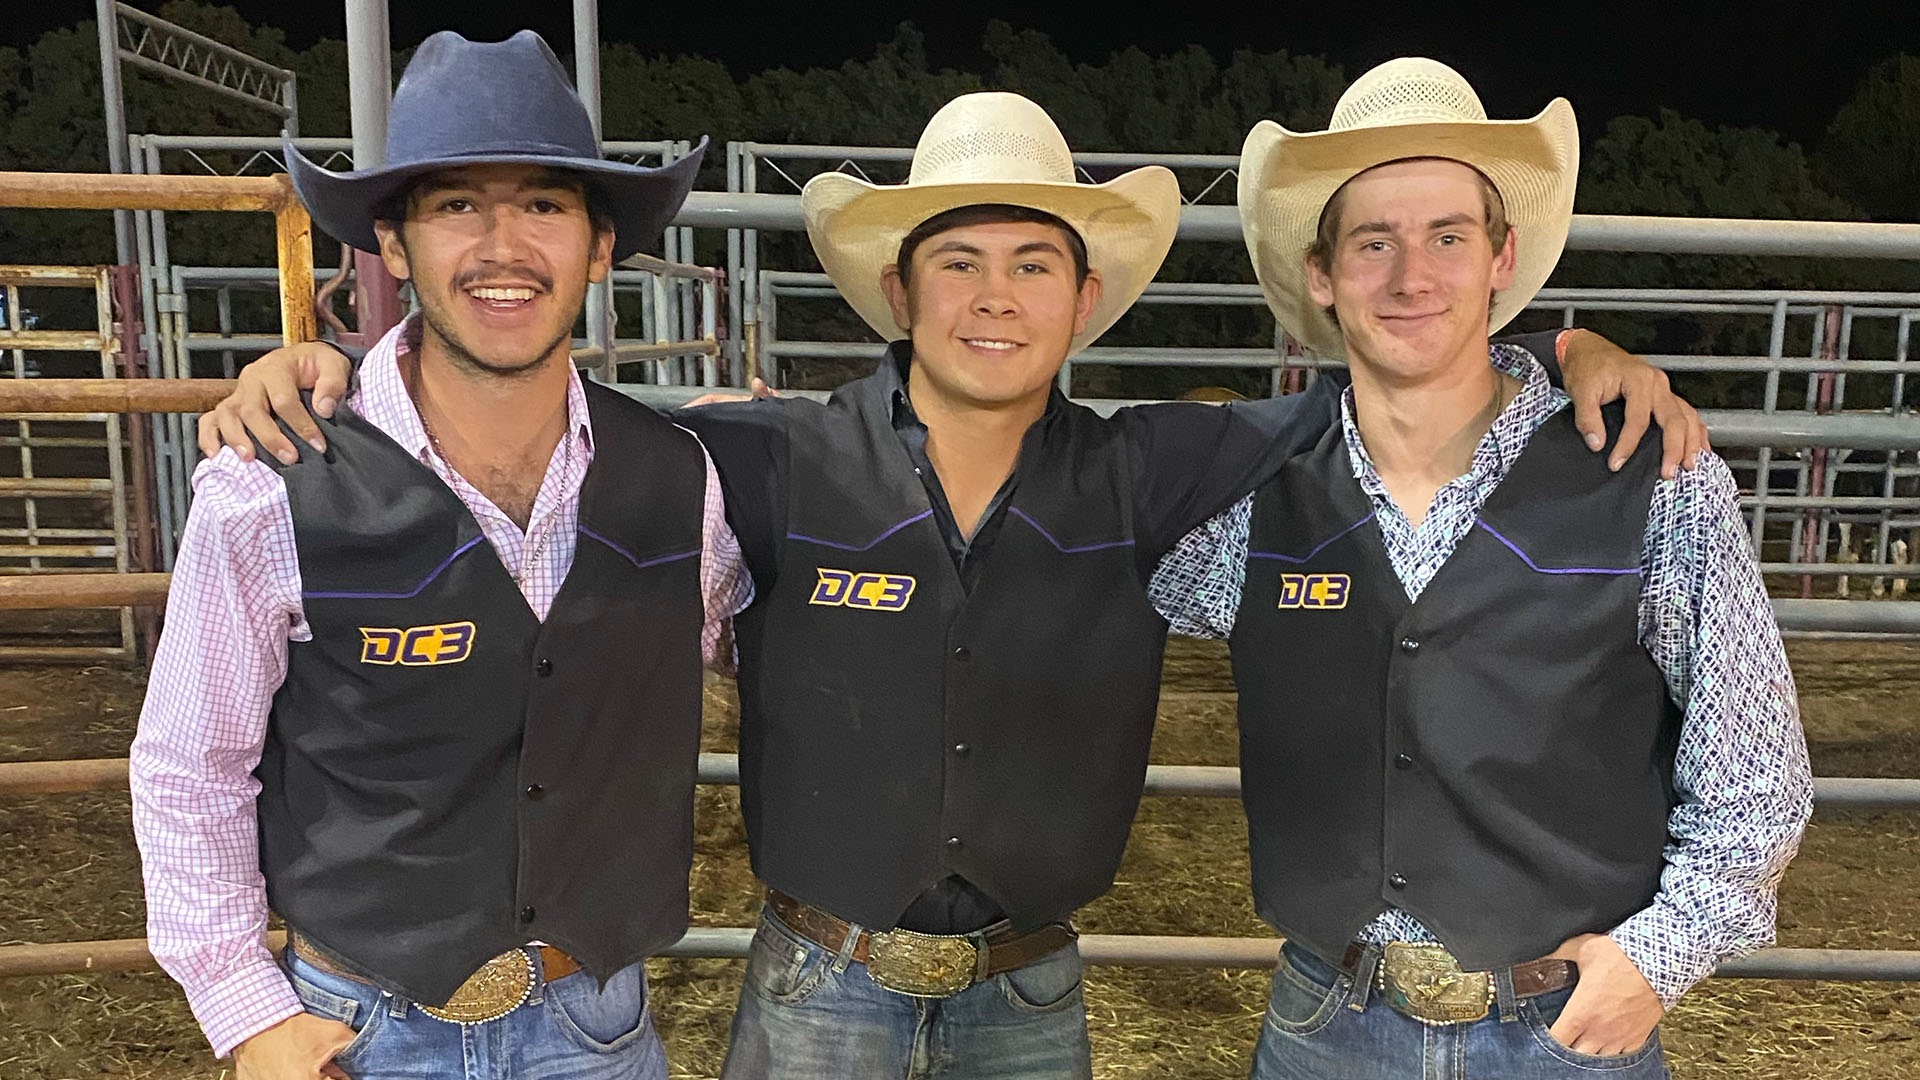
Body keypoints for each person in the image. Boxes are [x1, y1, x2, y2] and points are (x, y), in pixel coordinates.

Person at [201, 91, 1705, 1079]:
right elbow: (543, 419)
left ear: (1084, 299)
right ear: (899, 291)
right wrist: (334, 372)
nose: (996, 296)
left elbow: (1400, 370)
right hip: (819, 984)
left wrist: (1568, 349)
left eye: (1035, 265)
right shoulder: (766, 462)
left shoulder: (1153, 473)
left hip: (1029, 993)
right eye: (961, 262)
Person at [1151, 57, 1813, 1079]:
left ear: (1502, 257)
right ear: (1322, 274)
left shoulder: (1651, 479)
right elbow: (1042, 541)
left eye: (1449, 237)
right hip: (1329, 1024)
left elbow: (1757, 773)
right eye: (1374, 242)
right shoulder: (1243, 497)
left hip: (1561, 1029)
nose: (1412, 278)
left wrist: (1656, 960)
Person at [130, 31, 750, 1080]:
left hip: (596, 1026)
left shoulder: (684, 480)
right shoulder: (271, 484)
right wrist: (244, 1008)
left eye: (545, 205)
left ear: (600, 246)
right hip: (358, 1033)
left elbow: (791, 638)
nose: (504, 246)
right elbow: (192, 765)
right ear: (394, 242)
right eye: (458, 205)